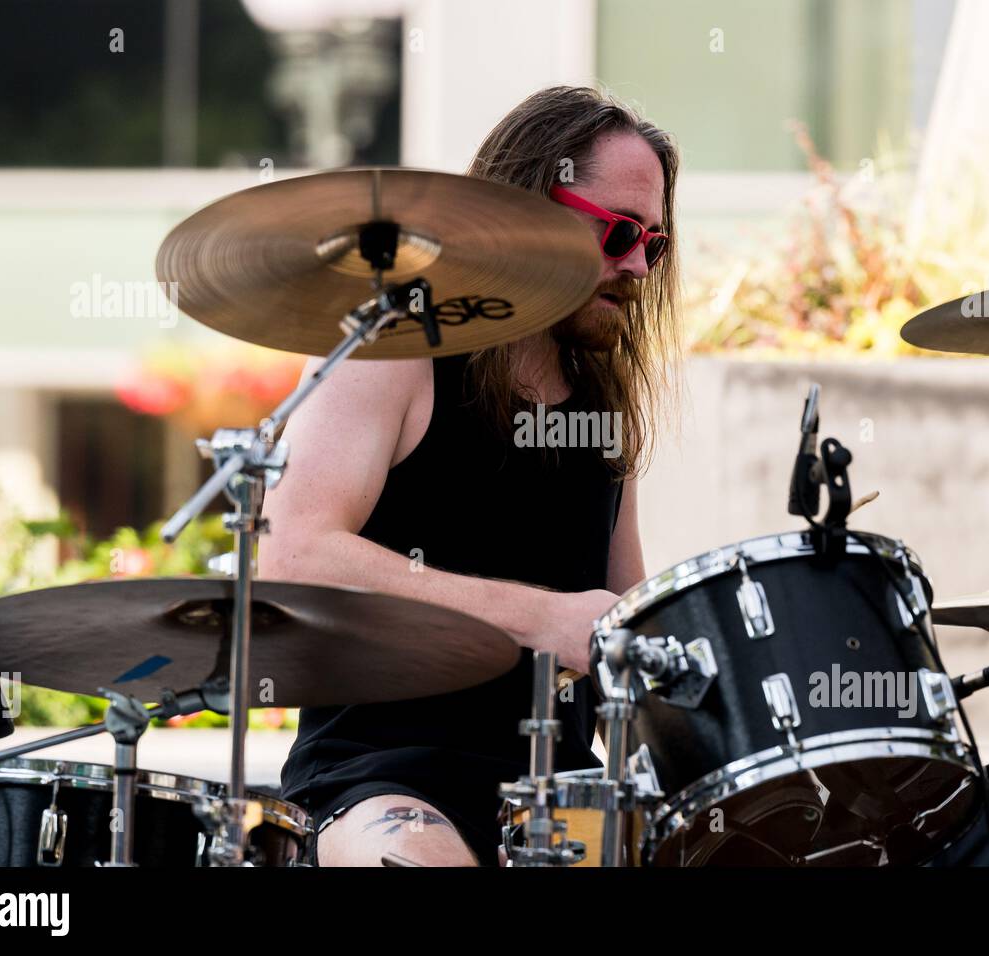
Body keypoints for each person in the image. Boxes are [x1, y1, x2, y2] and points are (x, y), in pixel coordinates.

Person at [260, 85, 681, 866]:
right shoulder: (399, 343)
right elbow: (292, 552)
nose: (636, 265)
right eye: (617, 233)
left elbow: (627, 625)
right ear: (526, 211)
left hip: (559, 792)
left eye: (651, 244)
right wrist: (539, 618)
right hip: (381, 776)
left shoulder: (602, 400)